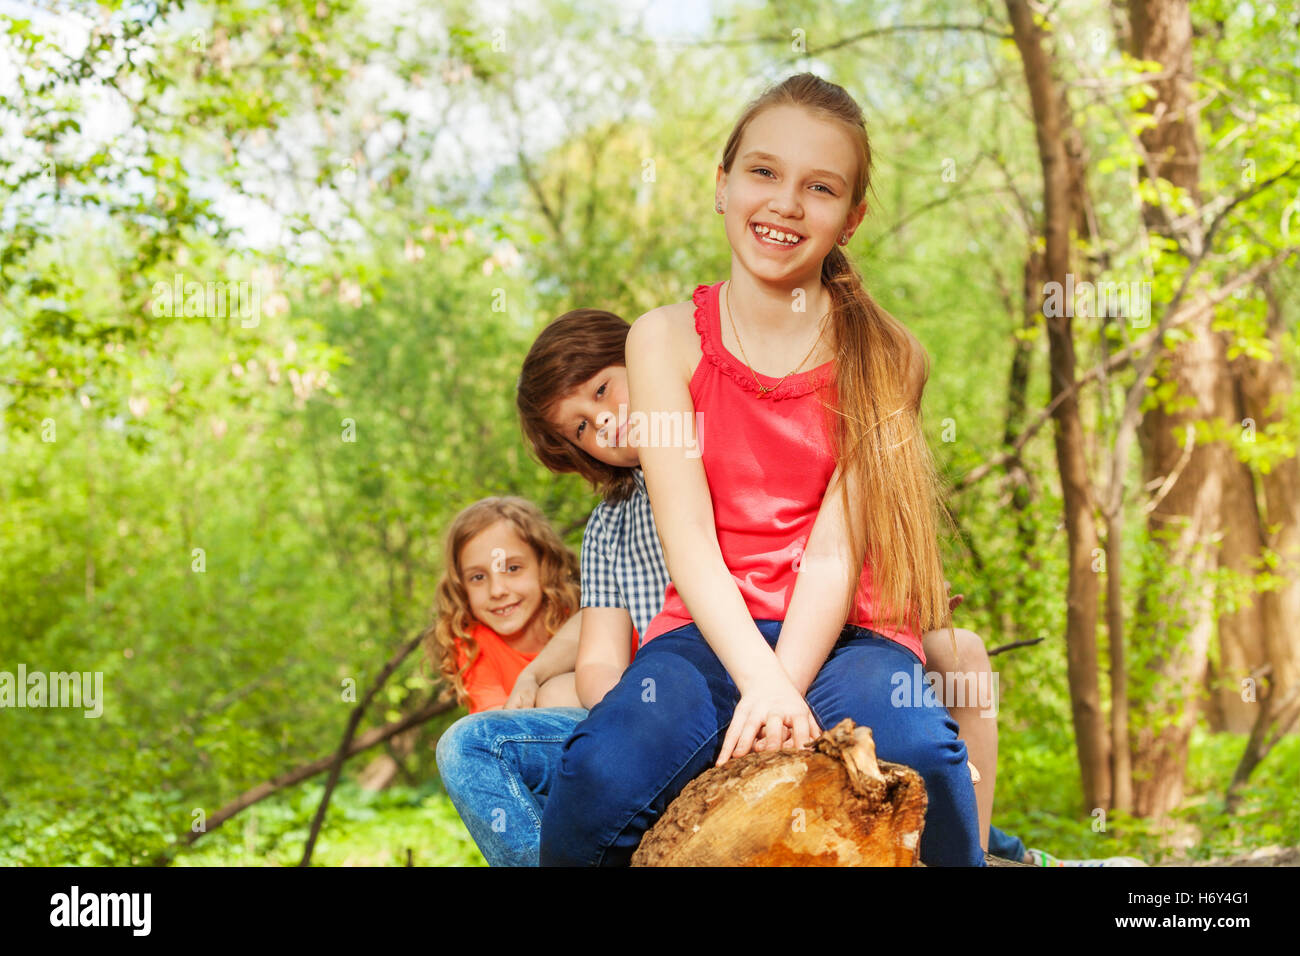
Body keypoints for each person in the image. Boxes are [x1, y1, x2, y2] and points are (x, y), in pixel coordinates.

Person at [538, 72, 989, 866]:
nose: (785, 203)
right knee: (597, 772)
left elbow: (834, 553)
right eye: (764, 172)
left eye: (820, 188)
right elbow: (688, 538)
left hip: (851, 633)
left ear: (851, 219)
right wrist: (760, 680)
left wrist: (785, 685)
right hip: (709, 633)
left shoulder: (889, 356)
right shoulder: (662, 339)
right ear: (722, 185)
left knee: (924, 753)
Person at [438, 308, 1037, 865]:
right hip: (693, 677)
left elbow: (844, 554)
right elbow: (601, 653)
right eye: (583, 427)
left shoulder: (728, 437)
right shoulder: (614, 524)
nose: (606, 421)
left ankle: (992, 845)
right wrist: (621, 701)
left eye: (603, 391)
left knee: (943, 701)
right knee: (542, 750)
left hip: (813, 654)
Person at [421, 496, 582, 714]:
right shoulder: (472, 644)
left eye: (513, 568)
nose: (497, 591)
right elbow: (497, 729)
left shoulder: (587, 615)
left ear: (545, 565)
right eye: (478, 577)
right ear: (462, 588)